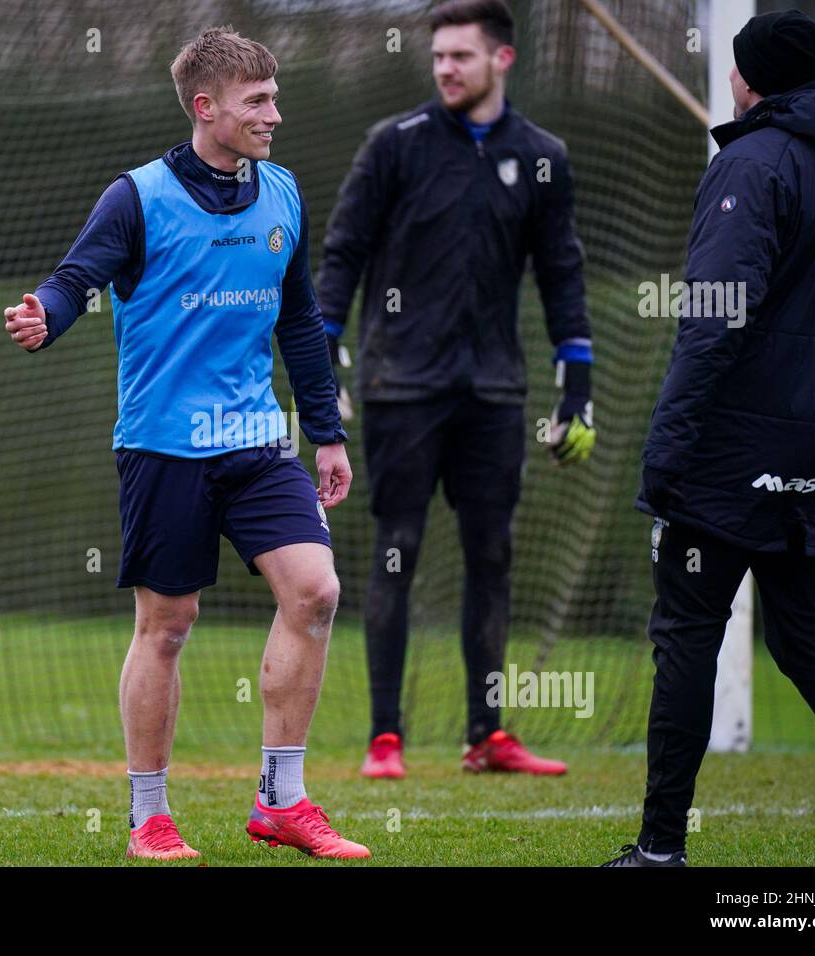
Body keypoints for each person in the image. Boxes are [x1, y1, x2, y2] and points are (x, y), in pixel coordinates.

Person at [5, 26, 369, 861]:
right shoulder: (136, 196)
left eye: (275, 97)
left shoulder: (282, 193)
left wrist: (327, 433)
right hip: (163, 445)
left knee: (314, 591)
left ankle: (283, 800)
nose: (274, 114)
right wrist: (44, 317)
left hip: (255, 440)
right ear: (206, 108)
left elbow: (301, 325)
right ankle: (149, 817)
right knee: (168, 626)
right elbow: (75, 279)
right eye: (258, 101)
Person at [604, 9, 815, 867]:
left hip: (735, 446)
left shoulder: (753, 163)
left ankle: (661, 850)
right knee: (808, 637)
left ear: (752, 78)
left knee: (689, 628)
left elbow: (713, 322)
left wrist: (669, 445)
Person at [318, 0, 593, 779]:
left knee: (492, 556)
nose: (444, 68)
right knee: (397, 551)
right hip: (399, 386)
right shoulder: (393, 147)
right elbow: (340, 258)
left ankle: (486, 735)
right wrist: (321, 366)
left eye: (461, 56)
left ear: (501, 59)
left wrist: (579, 390)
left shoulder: (543, 156)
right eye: (438, 55)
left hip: (496, 393)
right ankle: (385, 739)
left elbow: (563, 276)